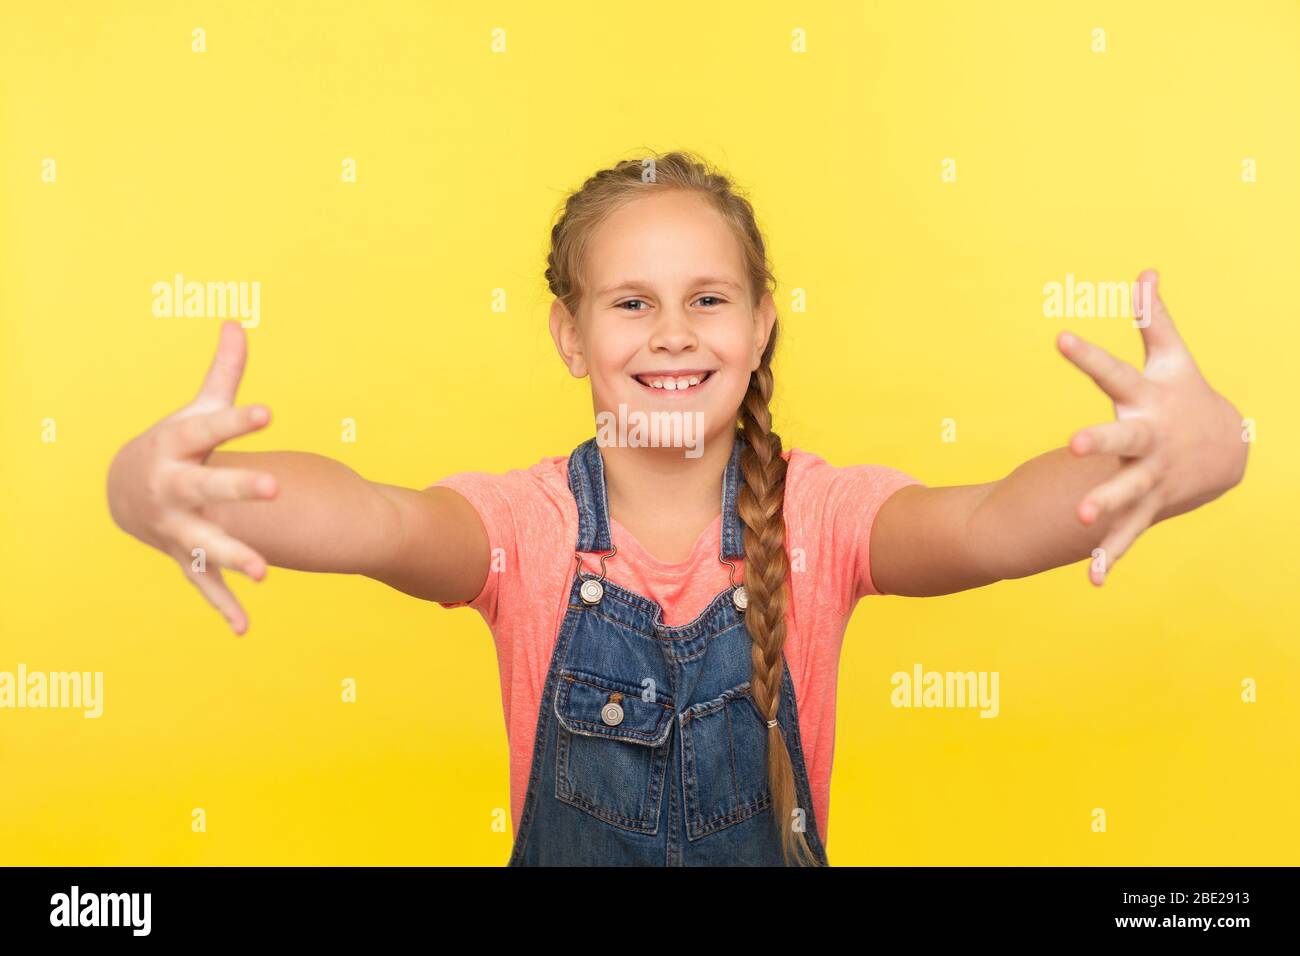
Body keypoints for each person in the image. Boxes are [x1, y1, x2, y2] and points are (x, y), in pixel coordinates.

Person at [105, 150, 1248, 866]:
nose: (671, 331)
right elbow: (376, 520)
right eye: (629, 301)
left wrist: (1176, 454)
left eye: (707, 298)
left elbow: (991, 525)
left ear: (757, 328)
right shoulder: (527, 527)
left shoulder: (820, 518)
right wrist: (172, 484)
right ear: (570, 334)